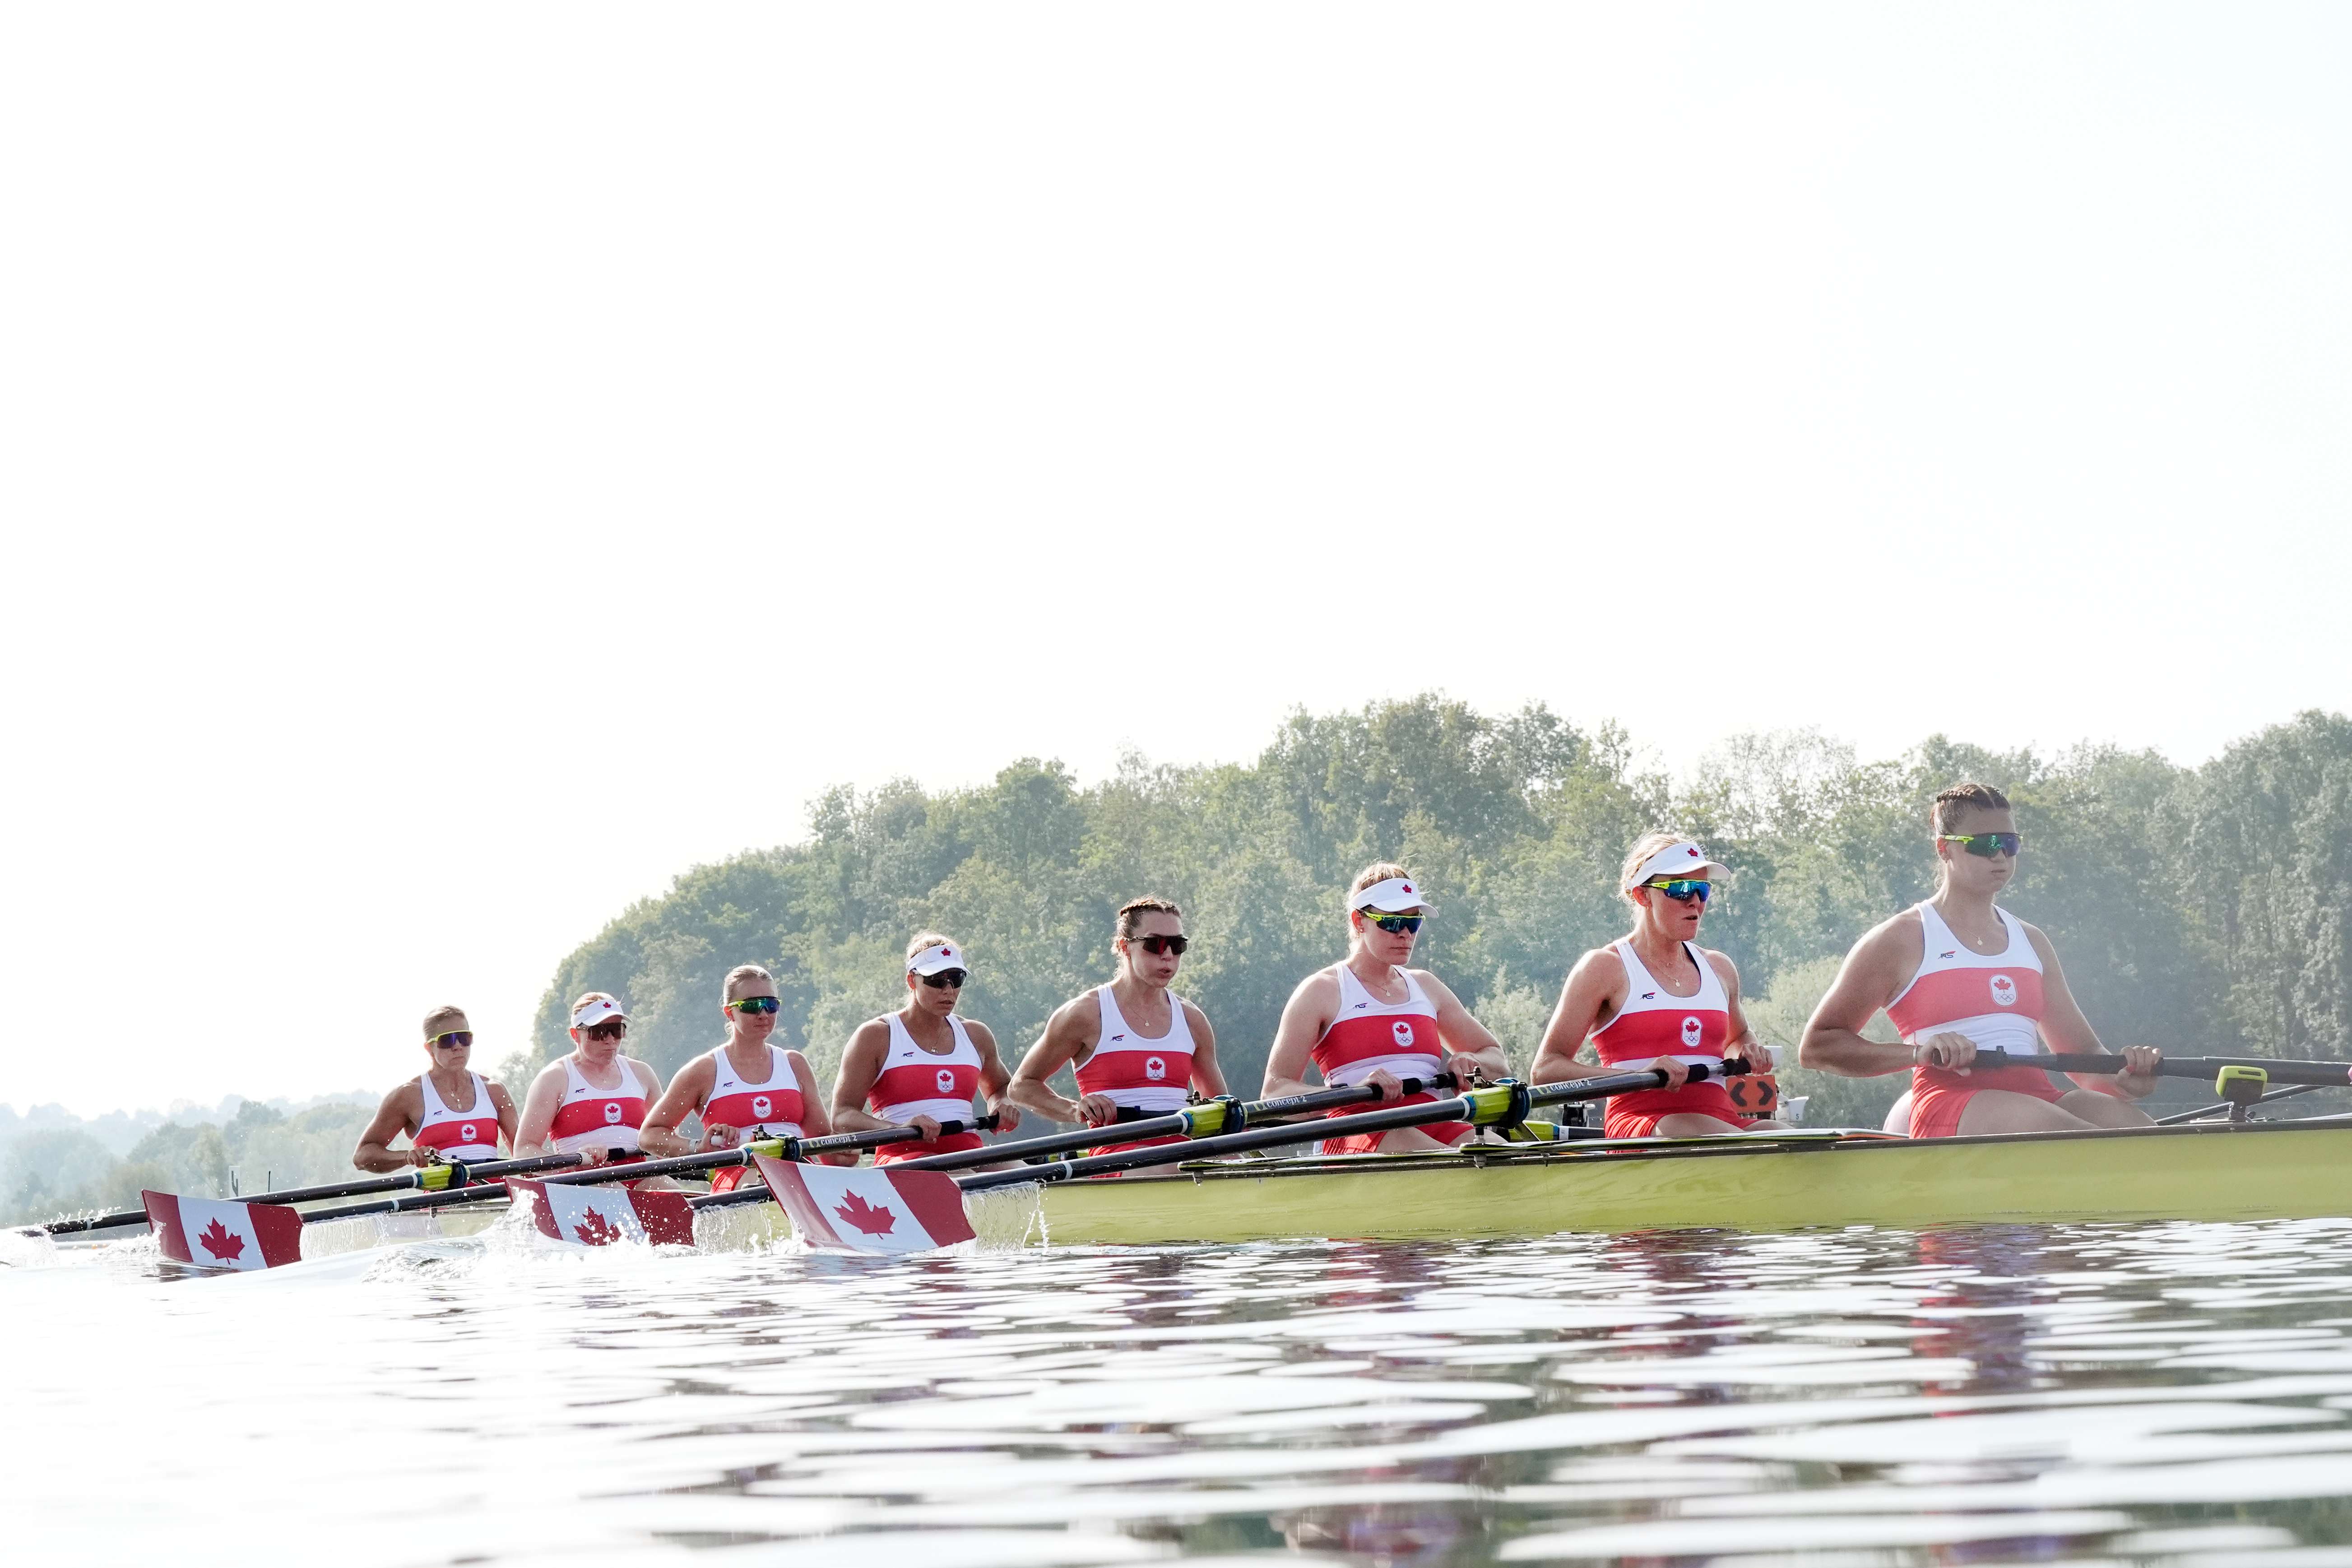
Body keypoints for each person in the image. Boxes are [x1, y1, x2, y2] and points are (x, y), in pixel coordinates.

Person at [1800, 780, 2162, 1136]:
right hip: (1948, 1097)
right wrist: (1917, 1054)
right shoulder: (1900, 939)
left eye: (2008, 843)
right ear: (1944, 849)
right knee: (2071, 1137)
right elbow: (1818, 1046)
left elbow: (2082, 1057)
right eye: (1983, 845)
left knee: (2142, 1133)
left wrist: (2124, 1081)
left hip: (2037, 1095)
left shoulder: (2032, 941)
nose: (1999, 856)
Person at [1529, 835, 1786, 1138]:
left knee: (1802, 1143)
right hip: (1642, 1121)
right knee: (1712, 1137)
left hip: (1721, 1121)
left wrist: (1748, 1048)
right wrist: (1637, 1075)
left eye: (1702, 890)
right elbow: (1545, 1070)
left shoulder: (1720, 968)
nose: (1695, 902)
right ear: (1642, 896)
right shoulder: (1603, 968)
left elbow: (1738, 1036)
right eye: (1680, 890)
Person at [1261, 863, 1508, 1155]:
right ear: (1358, 921)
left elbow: (1497, 1061)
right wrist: (1350, 1094)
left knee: (1504, 1155)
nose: (1405, 934)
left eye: (1413, 922)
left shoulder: (1427, 986)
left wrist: (1470, 1061)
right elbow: (1275, 1094)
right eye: (1391, 922)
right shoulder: (1320, 991)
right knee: (1430, 1153)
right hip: (1357, 1127)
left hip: (1434, 1118)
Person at [1007, 896, 1228, 1164]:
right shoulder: (1086, 1014)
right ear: (1125, 947)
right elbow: (1021, 1086)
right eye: (1155, 944)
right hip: (1115, 1151)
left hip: (1181, 1151)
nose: (1168, 954)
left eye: (1178, 945)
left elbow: (1219, 1107)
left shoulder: (1192, 1019)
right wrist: (1076, 1109)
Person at [641, 965, 852, 1190]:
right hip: (737, 1174)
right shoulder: (704, 1070)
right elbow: (649, 1136)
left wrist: (847, 1153)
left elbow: (822, 1142)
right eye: (752, 1007)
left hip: (796, 1171)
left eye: (771, 1006)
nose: (763, 1015)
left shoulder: (795, 1064)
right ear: (729, 1012)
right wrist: (698, 1148)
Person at [830, 933, 1022, 1164]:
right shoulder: (876, 1036)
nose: (949, 990)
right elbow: (842, 1116)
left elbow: (1001, 1087)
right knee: (961, 1181)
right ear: (912, 981)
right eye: (937, 980)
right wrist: (898, 1128)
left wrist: (1003, 1104)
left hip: (969, 1153)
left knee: (1029, 1179)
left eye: (956, 979)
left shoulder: (976, 1035)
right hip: (903, 1155)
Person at [351, 1005, 521, 1172]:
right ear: (429, 1048)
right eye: (447, 1040)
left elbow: (524, 1152)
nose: (457, 1046)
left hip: (496, 1196)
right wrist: (408, 1157)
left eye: (464, 1038)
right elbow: (362, 1156)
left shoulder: (495, 1091)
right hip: (442, 1198)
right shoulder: (409, 1095)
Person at [514, 993, 663, 1162]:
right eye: (599, 1032)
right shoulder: (554, 1078)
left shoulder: (642, 1073)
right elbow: (524, 1149)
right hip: (583, 1178)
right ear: (575, 1035)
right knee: (613, 1189)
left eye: (617, 1031)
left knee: (672, 1190)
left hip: (639, 1174)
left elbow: (666, 1137)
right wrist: (573, 1162)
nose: (610, 1040)